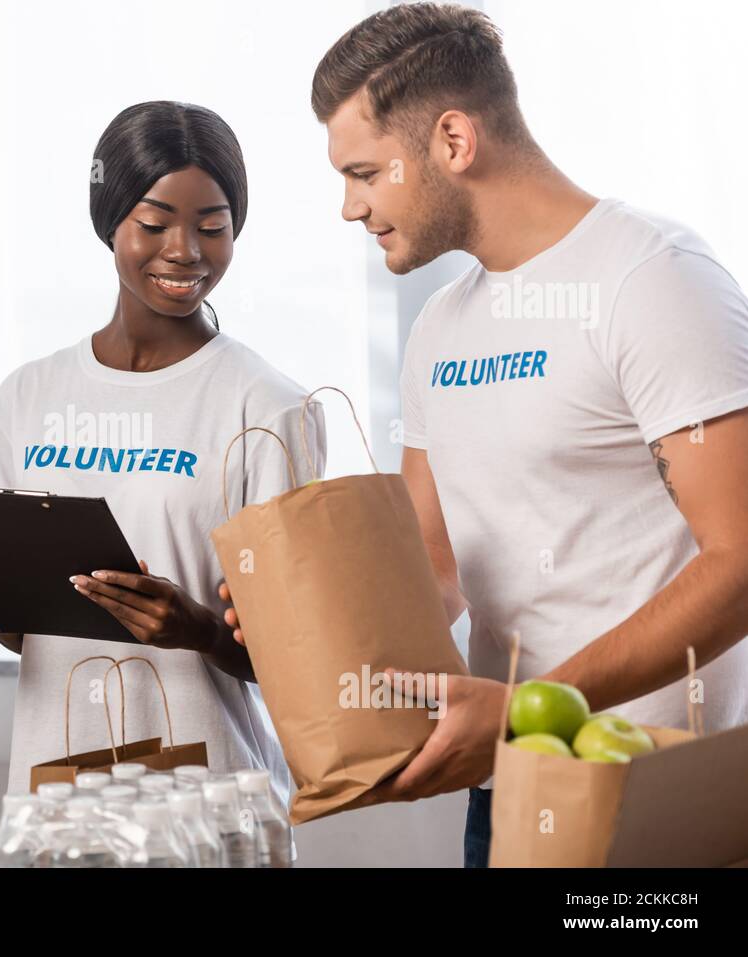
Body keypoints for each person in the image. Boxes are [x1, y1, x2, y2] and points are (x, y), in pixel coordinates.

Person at [226, 2, 748, 867]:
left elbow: (739, 560)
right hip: (508, 787)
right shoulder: (440, 328)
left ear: (454, 141)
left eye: (364, 172)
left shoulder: (652, 278)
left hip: (659, 790)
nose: (349, 208)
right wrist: (309, 623)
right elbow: (434, 570)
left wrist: (527, 704)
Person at [0, 101, 323, 799]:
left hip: (212, 806)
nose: (185, 251)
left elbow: (300, 661)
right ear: (110, 223)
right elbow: (31, 632)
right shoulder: (28, 396)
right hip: (60, 801)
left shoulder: (270, 406)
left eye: (212, 227)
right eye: (154, 225)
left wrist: (198, 629)